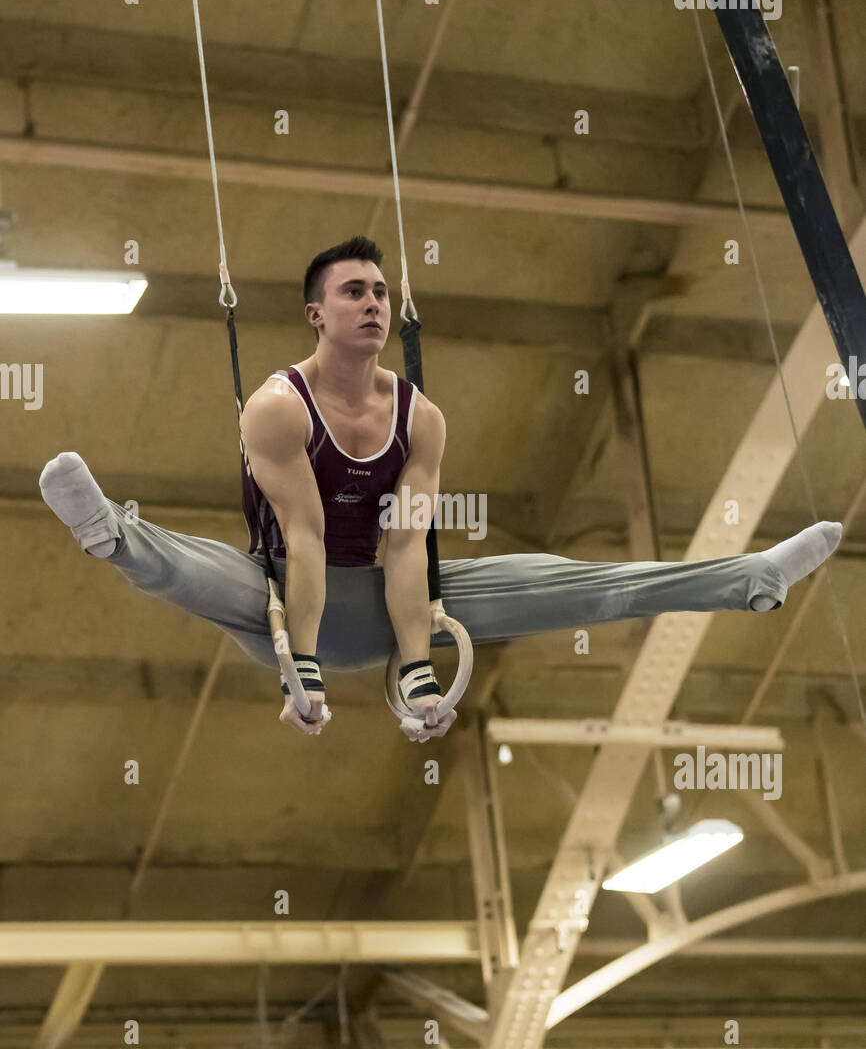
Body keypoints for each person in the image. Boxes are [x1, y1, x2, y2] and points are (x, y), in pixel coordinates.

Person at [39, 235, 843, 743]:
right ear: (315, 312)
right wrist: (304, 668)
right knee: (199, 569)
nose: (373, 304)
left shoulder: (422, 419)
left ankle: (751, 578)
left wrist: (419, 669)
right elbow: (308, 538)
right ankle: (109, 530)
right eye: (354, 292)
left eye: (381, 292)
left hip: (406, 604)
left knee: (576, 584)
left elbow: (404, 543)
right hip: (285, 599)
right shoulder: (277, 408)